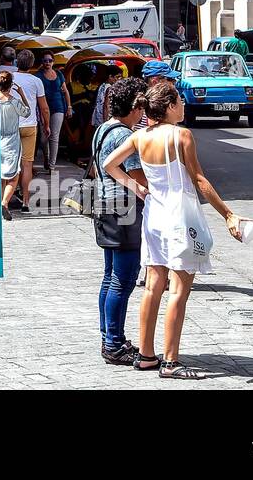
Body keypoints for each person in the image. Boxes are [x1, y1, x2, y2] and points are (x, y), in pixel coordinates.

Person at [103, 83, 249, 380]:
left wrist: (140, 190)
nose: (183, 106)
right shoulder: (181, 135)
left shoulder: (139, 136)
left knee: (153, 285)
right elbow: (200, 180)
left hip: (154, 215)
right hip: (180, 216)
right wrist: (228, 214)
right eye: (180, 101)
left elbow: (109, 164)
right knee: (178, 291)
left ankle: (146, 355)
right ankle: (170, 362)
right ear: (169, 105)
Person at [91, 77, 148, 365]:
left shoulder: (103, 128)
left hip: (104, 205)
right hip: (123, 209)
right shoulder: (125, 136)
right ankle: (113, 344)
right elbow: (138, 178)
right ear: (135, 107)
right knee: (122, 281)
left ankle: (108, 337)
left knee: (110, 276)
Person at [10, 49, 49, 213]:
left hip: (10, 125)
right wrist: (47, 125)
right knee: (27, 164)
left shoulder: (9, 78)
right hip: (29, 125)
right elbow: (44, 107)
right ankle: (26, 201)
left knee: (11, 162)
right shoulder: (36, 81)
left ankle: (7, 199)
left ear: (16, 63)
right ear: (32, 64)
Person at [38, 54, 72, 171]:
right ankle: (46, 158)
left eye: (50, 60)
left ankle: (52, 166)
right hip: (43, 108)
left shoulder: (59, 74)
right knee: (43, 138)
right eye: (45, 60)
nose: (48, 62)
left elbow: (66, 91)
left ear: (53, 61)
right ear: (42, 62)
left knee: (54, 136)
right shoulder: (38, 76)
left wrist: (69, 107)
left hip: (58, 107)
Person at [0, 70, 23, 221]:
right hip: (12, 140)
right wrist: (22, 94)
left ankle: (0, 205)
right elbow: (27, 112)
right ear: (11, 85)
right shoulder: (14, 101)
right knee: (14, 176)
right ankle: (4, 202)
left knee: (1, 175)